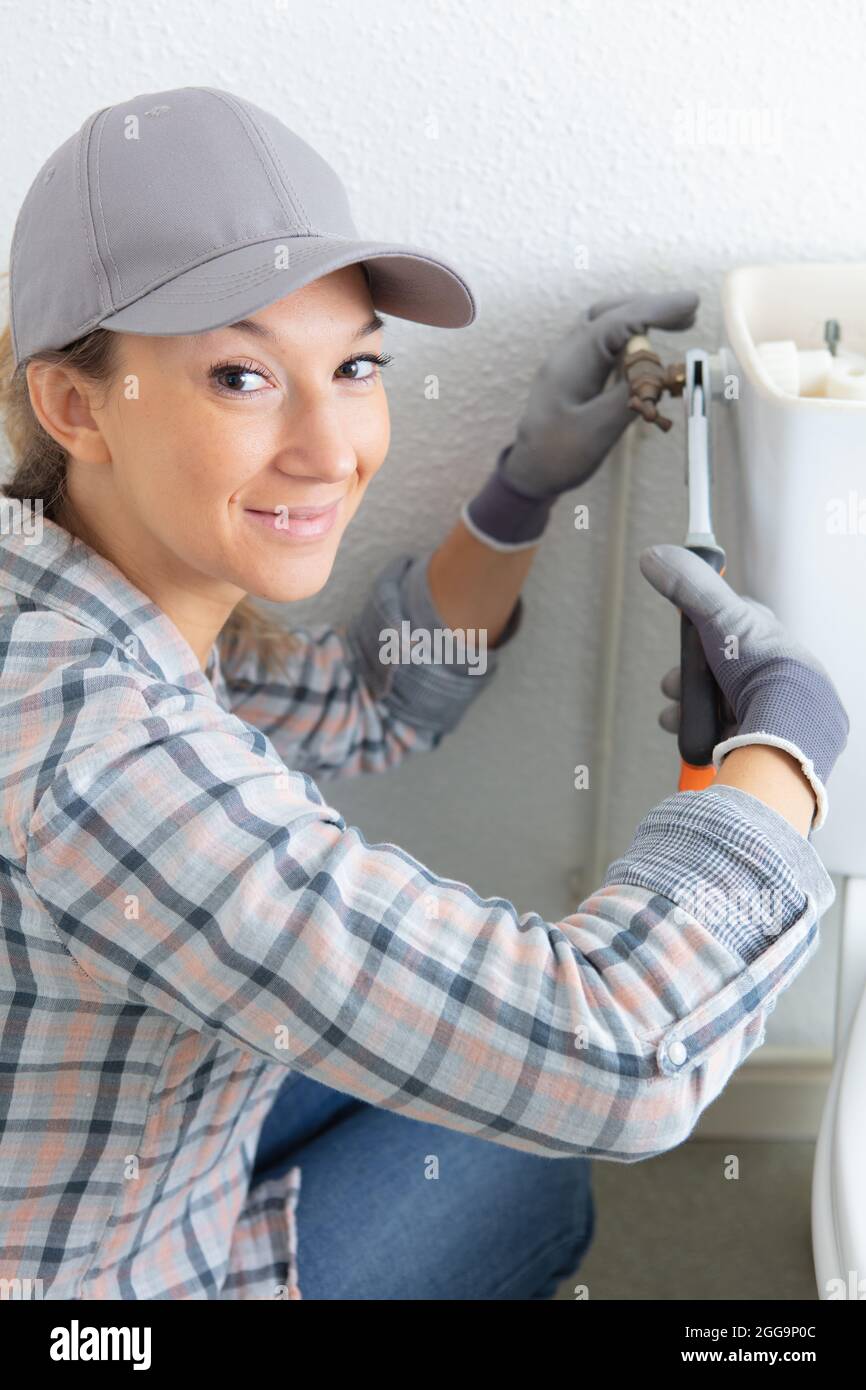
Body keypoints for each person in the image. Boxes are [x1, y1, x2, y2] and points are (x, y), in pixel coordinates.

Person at [0, 86, 847, 1301]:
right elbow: (618, 1062)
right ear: (74, 404)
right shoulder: (101, 759)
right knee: (524, 1160)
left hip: (122, 1145)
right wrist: (785, 756)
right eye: (240, 377)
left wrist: (518, 492)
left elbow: (360, 704)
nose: (328, 446)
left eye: (352, 365)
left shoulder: (65, 586)